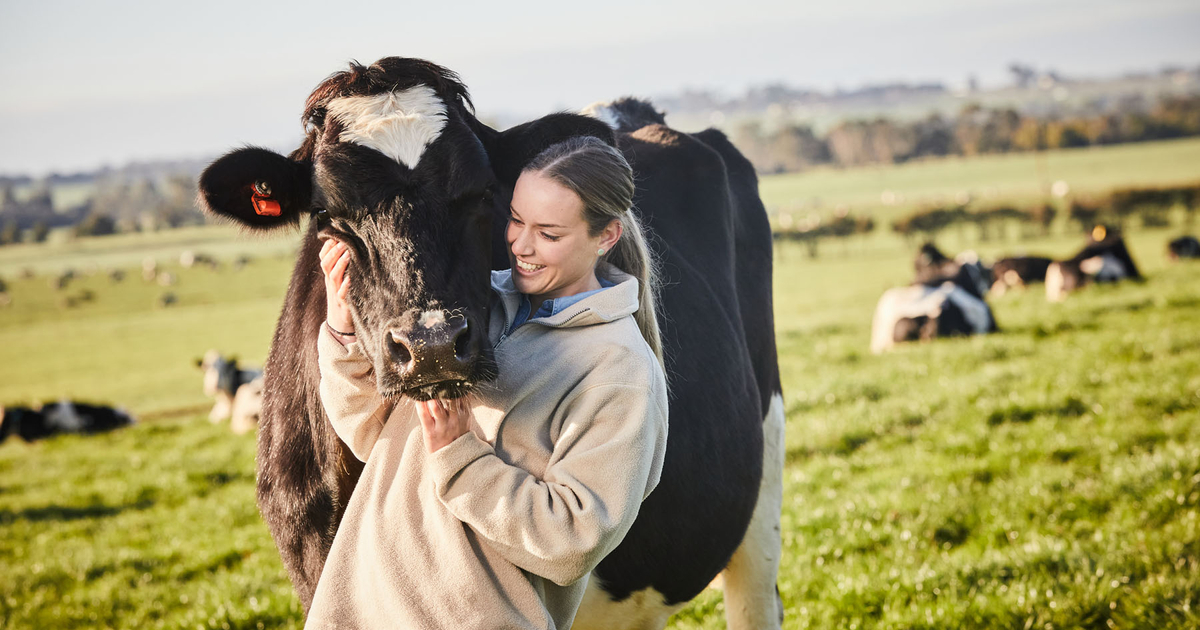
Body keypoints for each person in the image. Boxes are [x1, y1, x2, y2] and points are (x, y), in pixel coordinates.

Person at [305, 136, 670, 630]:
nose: (520, 244)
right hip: (358, 610)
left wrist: (458, 455)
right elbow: (374, 437)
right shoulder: (472, 307)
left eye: (549, 233)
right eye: (516, 219)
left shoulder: (620, 372)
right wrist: (344, 322)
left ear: (606, 235)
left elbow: (573, 542)